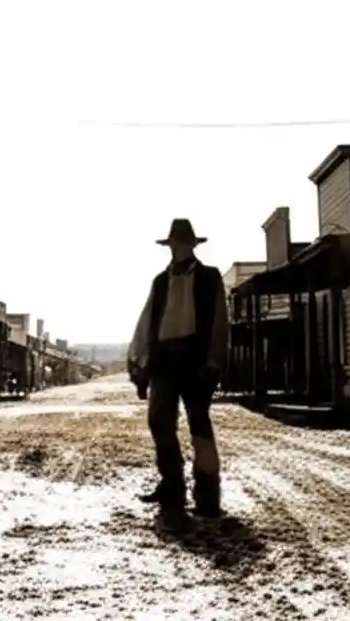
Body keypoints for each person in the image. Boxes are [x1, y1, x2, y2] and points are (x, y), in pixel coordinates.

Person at [127, 218, 229, 532]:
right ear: (170, 245)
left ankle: (208, 496)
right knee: (159, 422)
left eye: (184, 242)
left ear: (192, 245)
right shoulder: (160, 282)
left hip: (195, 361)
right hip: (164, 362)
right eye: (175, 242)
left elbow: (219, 322)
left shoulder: (210, 278)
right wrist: (139, 363)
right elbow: (148, 323)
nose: (179, 247)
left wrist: (214, 360)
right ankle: (172, 486)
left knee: (199, 425)